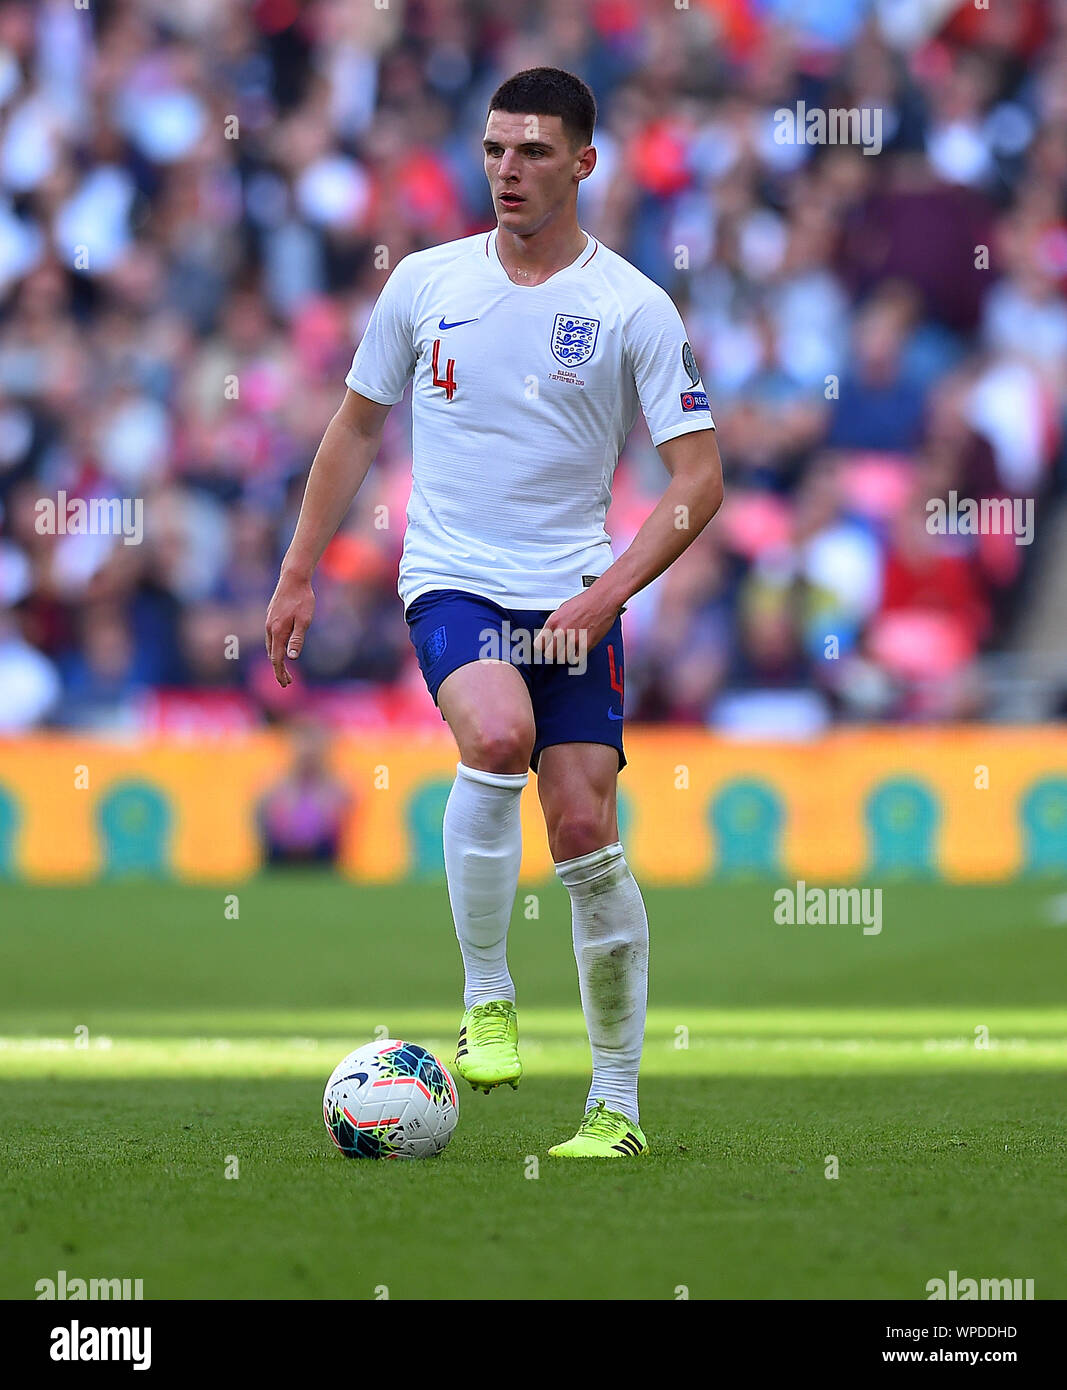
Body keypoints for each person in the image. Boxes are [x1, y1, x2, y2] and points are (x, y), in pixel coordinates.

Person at [266, 68, 723, 1157]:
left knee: (582, 833)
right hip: (454, 578)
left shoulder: (630, 308)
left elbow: (697, 480)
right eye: (493, 150)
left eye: (531, 151)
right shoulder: (424, 283)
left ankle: (614, 1107)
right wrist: (296, 569)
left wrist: (604, 595)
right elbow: (353, 427)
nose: (507, 170)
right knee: (498, 733)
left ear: (583, 162)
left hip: (573, 590)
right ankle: (487, 998)